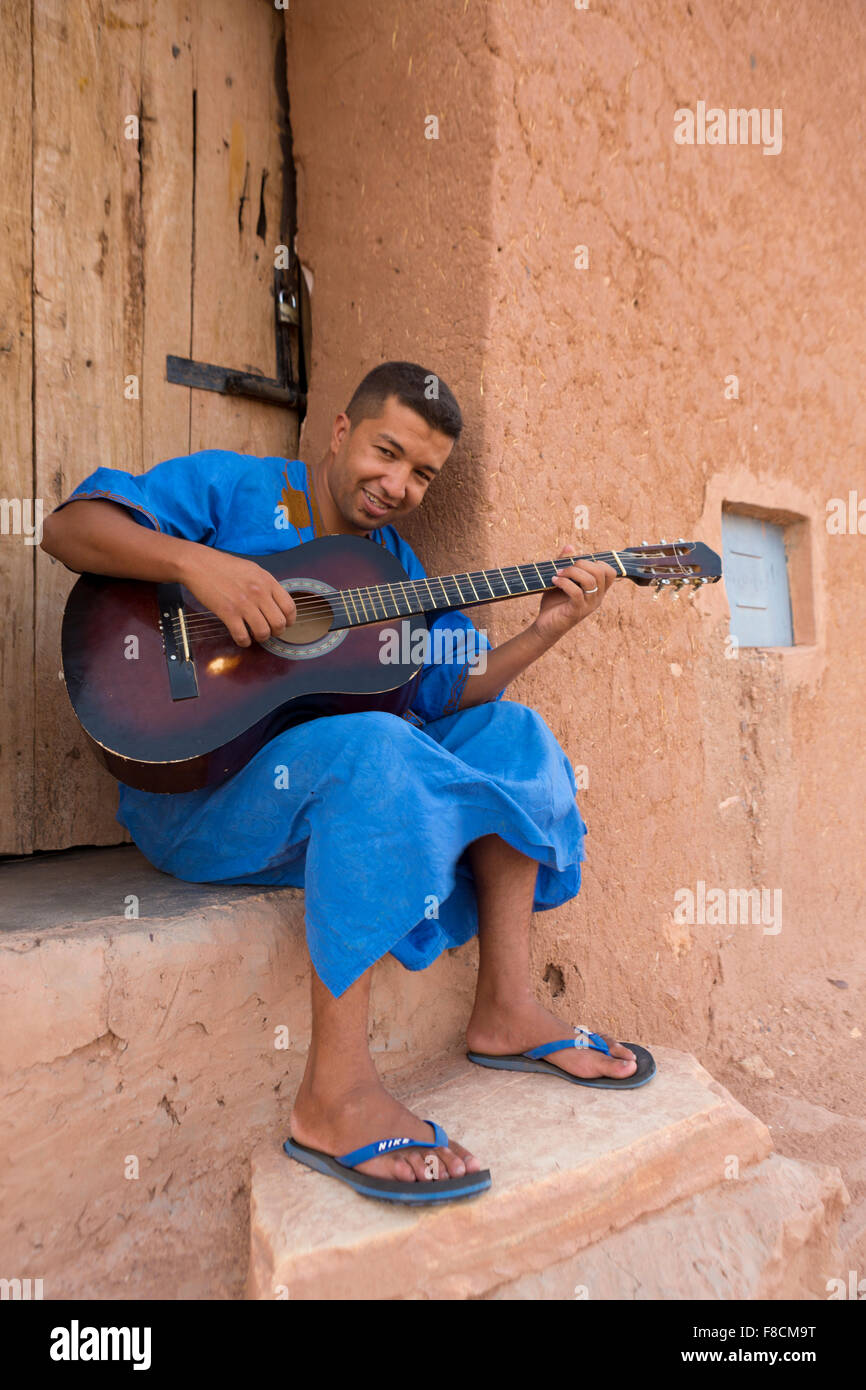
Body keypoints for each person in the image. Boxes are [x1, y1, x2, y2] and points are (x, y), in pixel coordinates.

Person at [41, 360, 654, 1206]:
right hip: (200, 801)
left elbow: (447, 687)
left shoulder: (396, 573)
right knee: (373, 744)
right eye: (386, 452)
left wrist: (545, 629)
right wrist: (194, 565)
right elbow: (69, 528)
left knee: (511, 731)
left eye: (423, 474)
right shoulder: (238, 489)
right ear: (340, 432)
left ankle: (508, 1007)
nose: (397, 484)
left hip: (316, 808)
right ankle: (334, 1094)